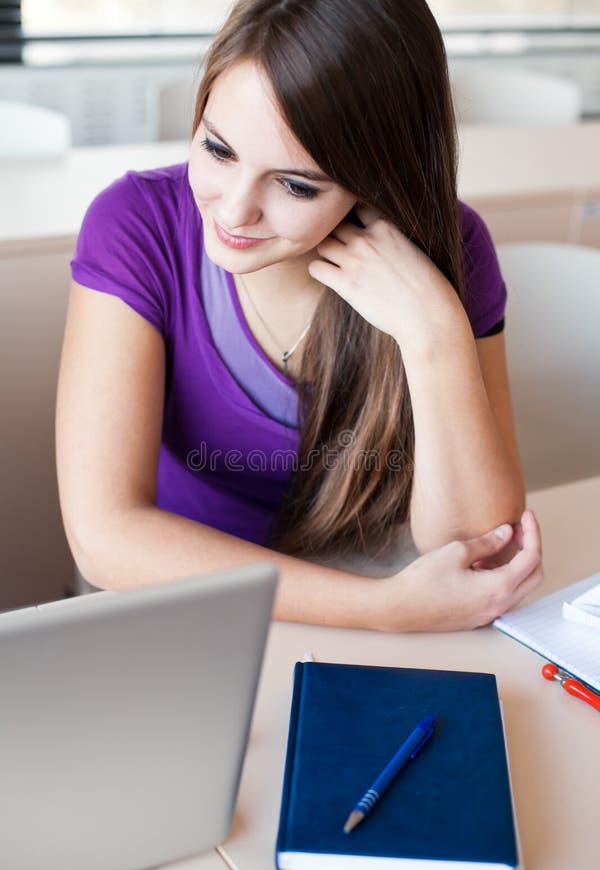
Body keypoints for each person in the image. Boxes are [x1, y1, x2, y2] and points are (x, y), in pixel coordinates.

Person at [56, 0, 543, 632]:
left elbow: (478, 552)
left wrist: (434, 335)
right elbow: (104, 539)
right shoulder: (136, 225)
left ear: (377, 181)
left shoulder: (452, 249)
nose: (232, 212)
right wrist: (381, 608)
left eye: (296, 185)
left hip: (375, 604)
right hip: (185, 609)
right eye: (219, 149)